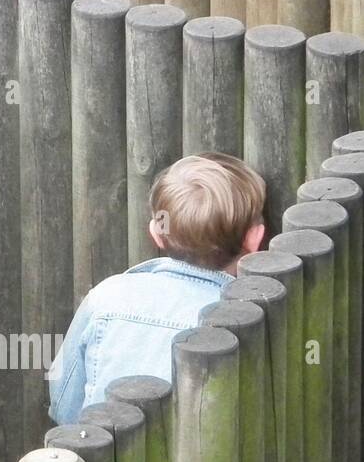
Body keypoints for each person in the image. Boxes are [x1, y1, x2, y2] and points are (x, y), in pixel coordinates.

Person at [47, 152, 266, 424]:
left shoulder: (104, 299)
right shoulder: (251, 321)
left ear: (156, 232)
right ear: (254, 238)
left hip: (101, 457)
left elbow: (63, 405)